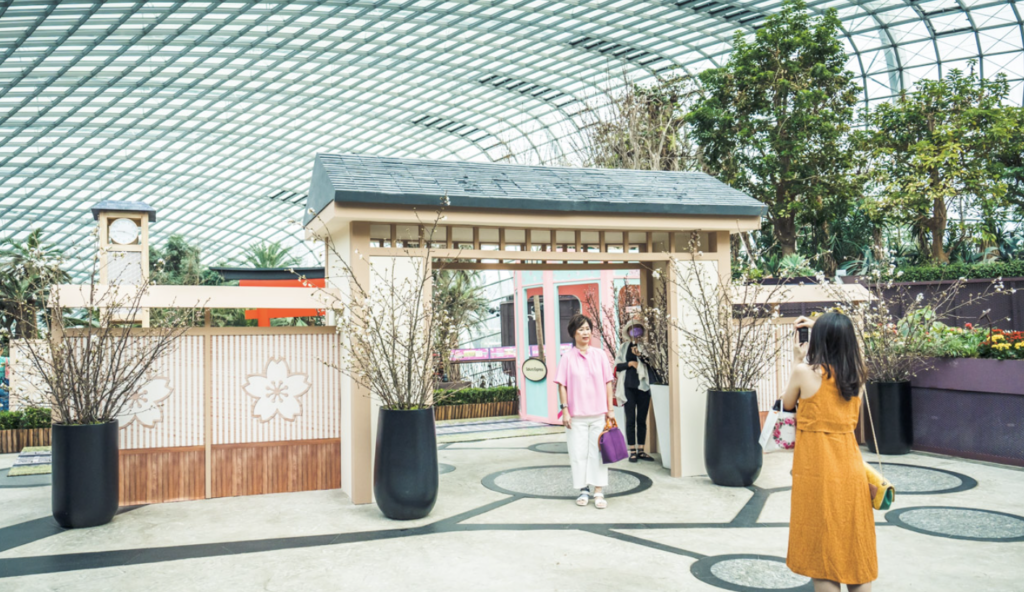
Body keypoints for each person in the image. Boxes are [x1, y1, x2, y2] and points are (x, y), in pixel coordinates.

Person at [781, 312, 877, 592]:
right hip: (850, 469)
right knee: (855, 555)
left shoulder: (805, 373)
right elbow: (850, 342)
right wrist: (824, 327)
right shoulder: (859, 373)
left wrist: (798, 359)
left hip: (816, 470)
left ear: (819, 339)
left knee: (822, 559)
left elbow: (787, 405)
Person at [554, 313, 616, 509]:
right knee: (578, 453)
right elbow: (561, 385)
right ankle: (583, 489)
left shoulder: (600, 355)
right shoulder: (567, 357)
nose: (585, 332)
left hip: (598, 414)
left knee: (597, 453)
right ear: (573, 333)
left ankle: (598, 490)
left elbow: (608, 382)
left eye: (588, 328)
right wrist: (565, 410)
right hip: (576, 416)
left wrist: (610, 410)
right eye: (581, 329)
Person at [614, 320, 654, 463]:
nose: (636, 332)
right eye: (633, 329)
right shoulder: (624, 347)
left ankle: (641, 450)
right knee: (630, 420)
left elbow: (653, 365)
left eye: (638, 329)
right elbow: (616, 367)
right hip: (628, 387)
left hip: (643, 387)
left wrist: (641, 356)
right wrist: (630, 363)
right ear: (628, 331)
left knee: (642, 420)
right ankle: (632, 450)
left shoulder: (647, 347)